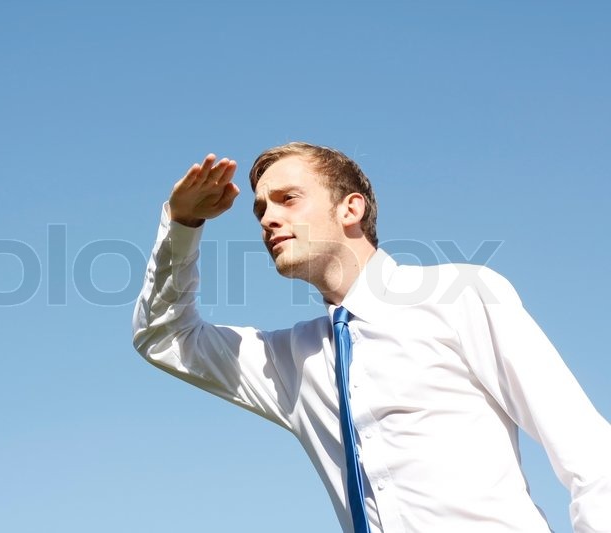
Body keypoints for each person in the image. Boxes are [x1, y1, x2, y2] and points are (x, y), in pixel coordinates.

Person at [131, 142, 611, 532]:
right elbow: (164, 336)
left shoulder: (459, 295)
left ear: (350, 209)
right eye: (259, 209)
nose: (267, 219)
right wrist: (183, 225)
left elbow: (589, 453)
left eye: (288, 199)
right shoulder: (290, 360)